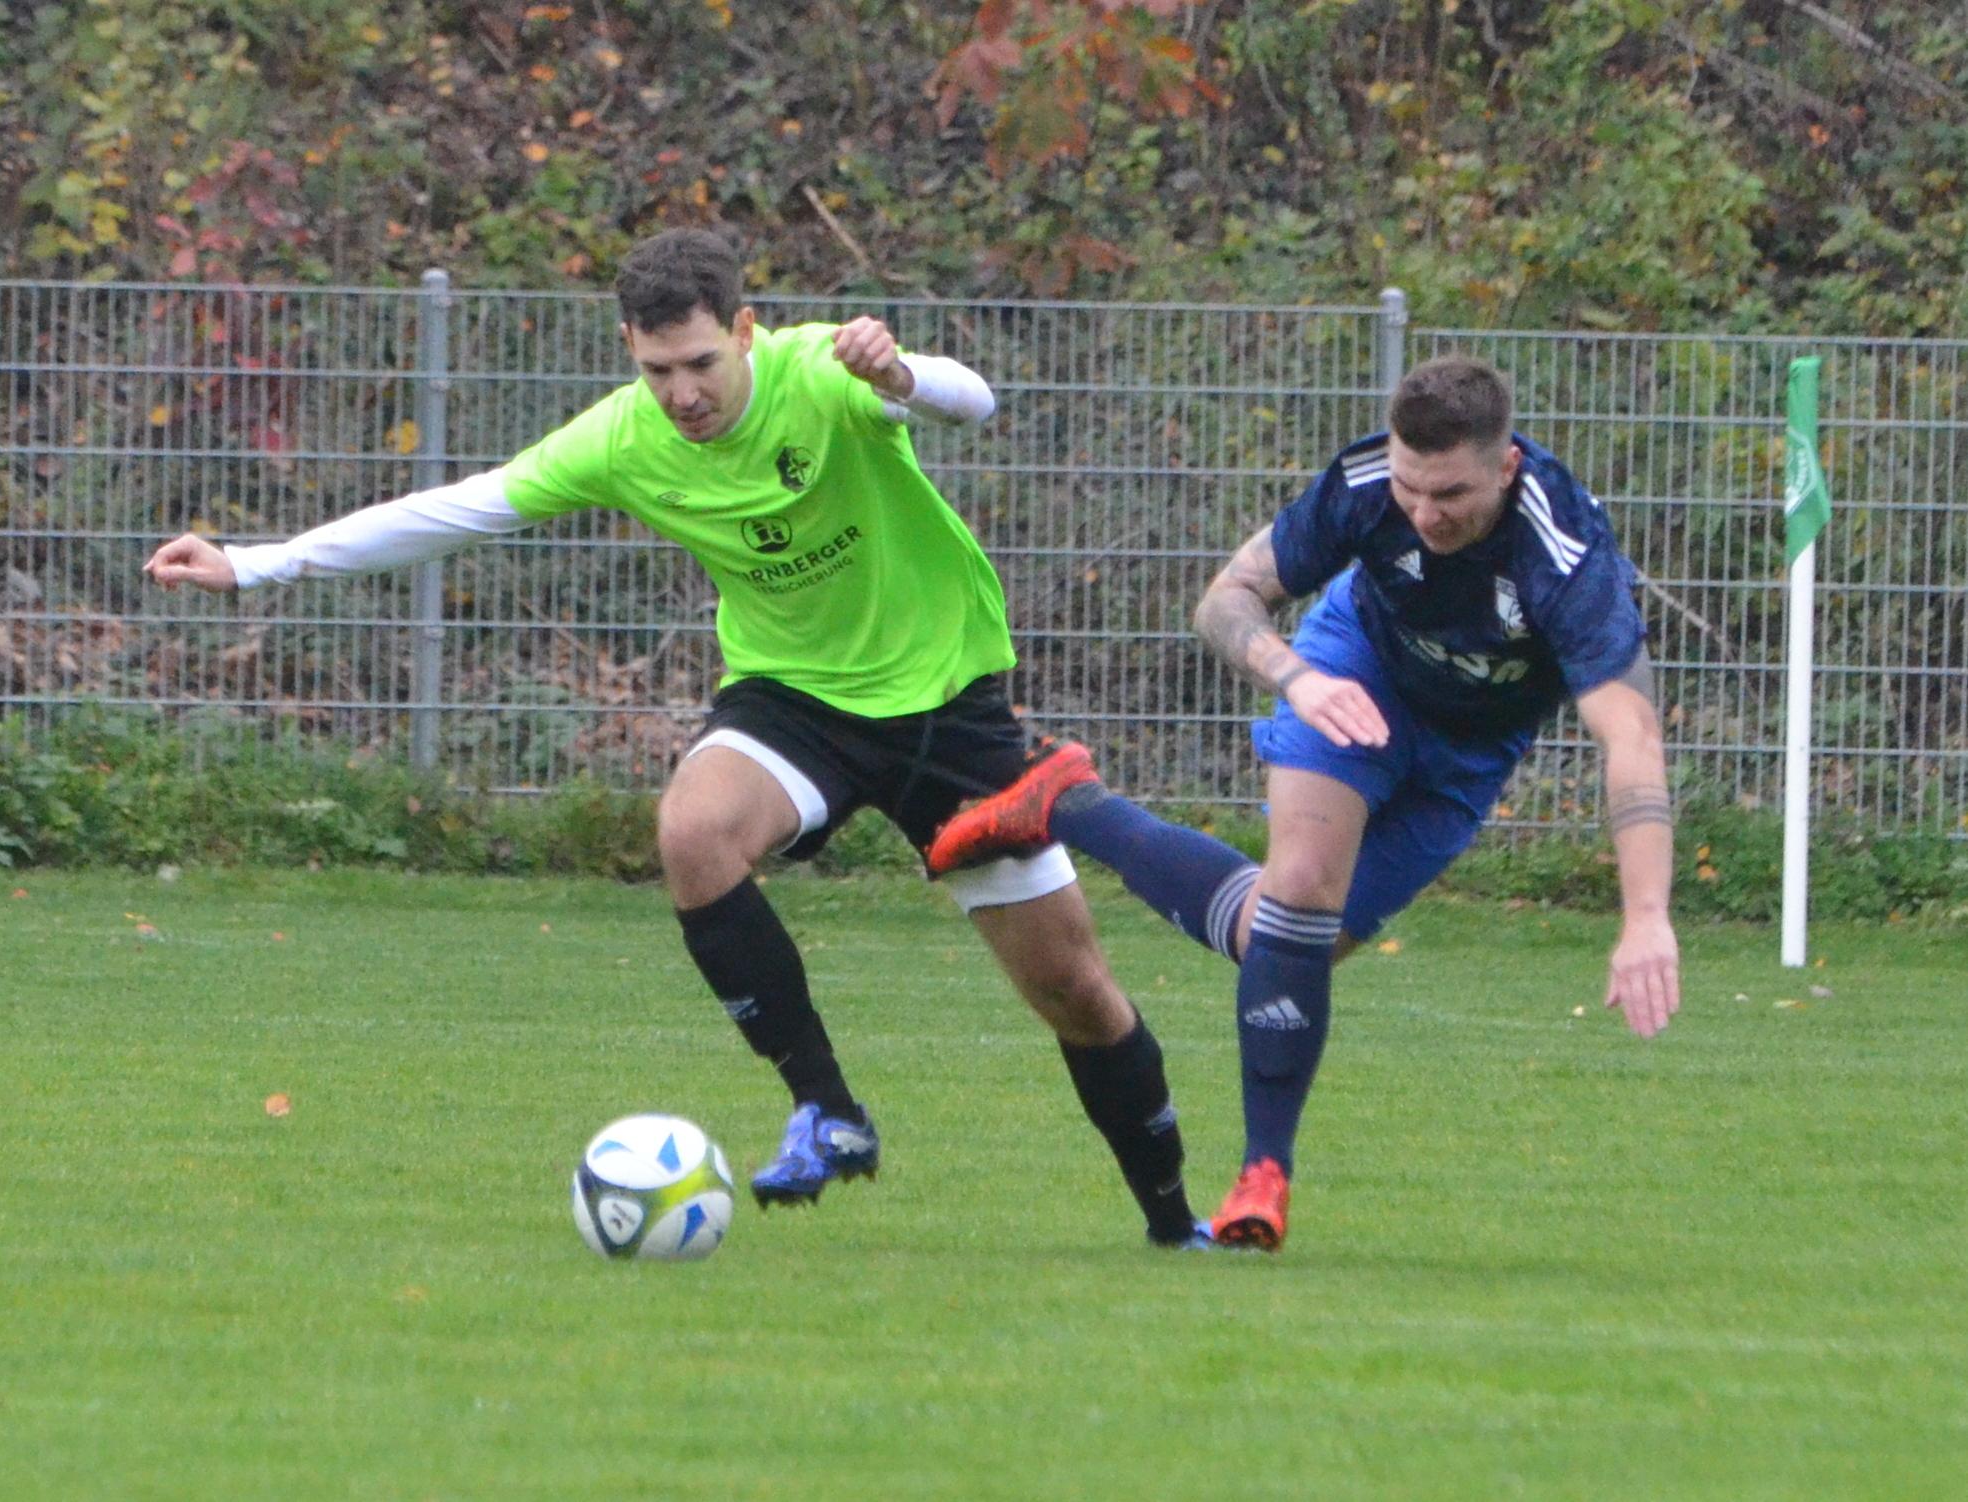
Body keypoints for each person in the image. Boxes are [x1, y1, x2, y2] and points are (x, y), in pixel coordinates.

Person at [145, 227, 1212, 1248]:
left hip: (949, 708)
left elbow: (974, 402)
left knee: (1070, 988)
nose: (682, 393)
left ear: (745, 329)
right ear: (630, 354)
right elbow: (459, 507)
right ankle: (826, 1108)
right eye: (658, 370)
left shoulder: (817, 373)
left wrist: (900, 376)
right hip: (794, 701)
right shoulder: (624, 435)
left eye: (699, 362)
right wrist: (255, 561)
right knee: (692, 831)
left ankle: (1173, 1221)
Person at [926, 355, 1681, 1250]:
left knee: (1276, 944)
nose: (1425, 514)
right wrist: (1299, 678)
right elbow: (1226, 599)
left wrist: (1645, 918)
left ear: (1507, 465)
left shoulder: (1566, 555)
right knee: (1300, 892)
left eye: (1450, 495)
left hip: (1469, 755)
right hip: (1351, 671)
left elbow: (1630, 739)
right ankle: (1262, 1178)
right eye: (1411, 489)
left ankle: (1071, 802)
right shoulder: (1367, 485)